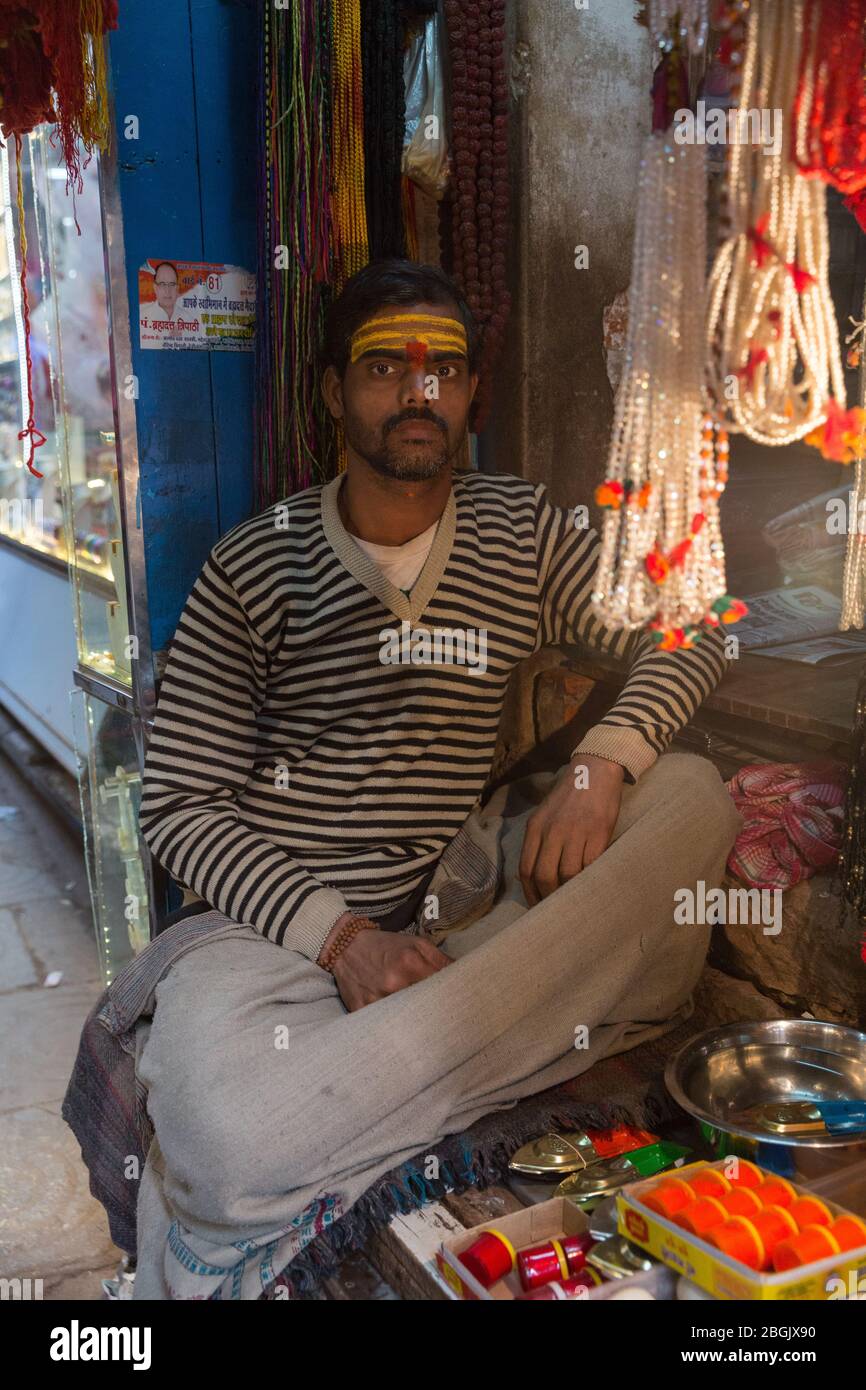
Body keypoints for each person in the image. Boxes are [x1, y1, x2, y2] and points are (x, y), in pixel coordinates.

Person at [130, 258, 740, 1298]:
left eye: (443, 370)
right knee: (225, 1137)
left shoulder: (521, 532)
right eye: (384, 367)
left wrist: (597, 766)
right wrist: (343, 940)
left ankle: (398, 1060)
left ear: (465, 394)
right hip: (272, 932)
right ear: (331, 393)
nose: (419, 393)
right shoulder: (254, 567)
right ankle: (475, 1037)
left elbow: (698, 627)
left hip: (460, 904)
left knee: (687, 793)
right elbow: (178, 808)